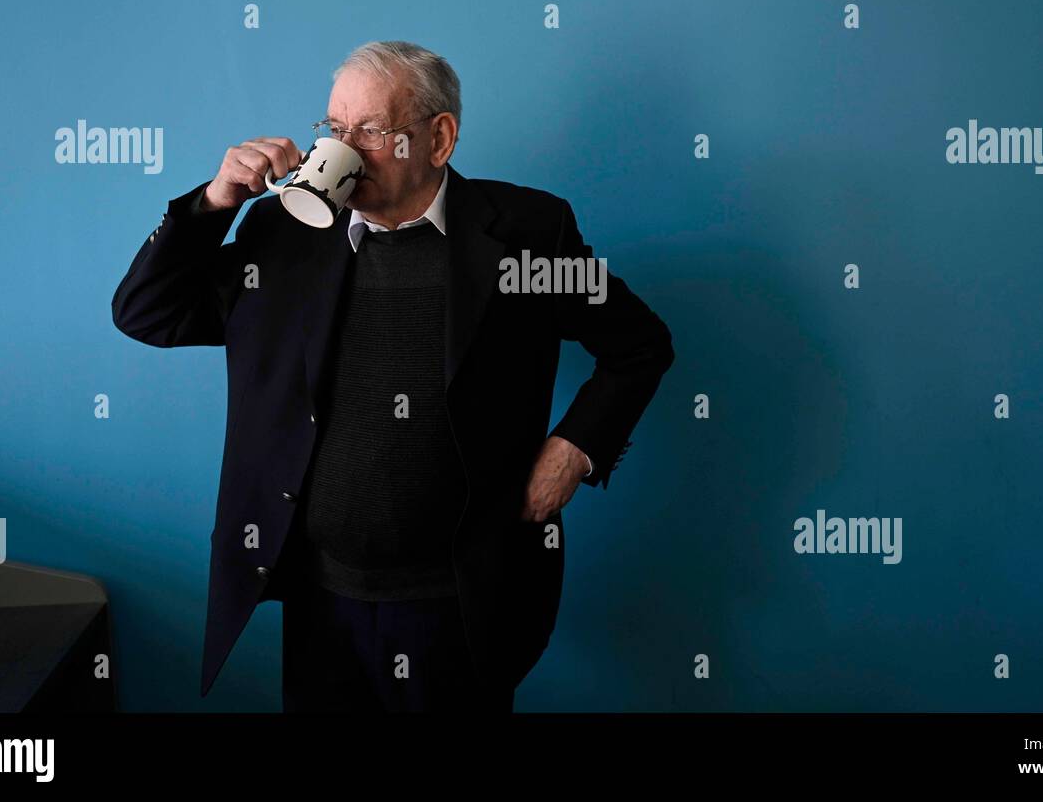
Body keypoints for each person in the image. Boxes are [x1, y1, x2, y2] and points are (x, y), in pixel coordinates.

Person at [112, 40, 675, 711]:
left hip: (459, 603)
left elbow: (640, 345)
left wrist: (573, 450)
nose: (343, 153)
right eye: (334, 130)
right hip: (321, 598)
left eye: (371, 132)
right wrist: (214, 203)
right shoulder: (282, 236)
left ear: (439, 139)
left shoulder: (528, 235)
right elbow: (148, 312)